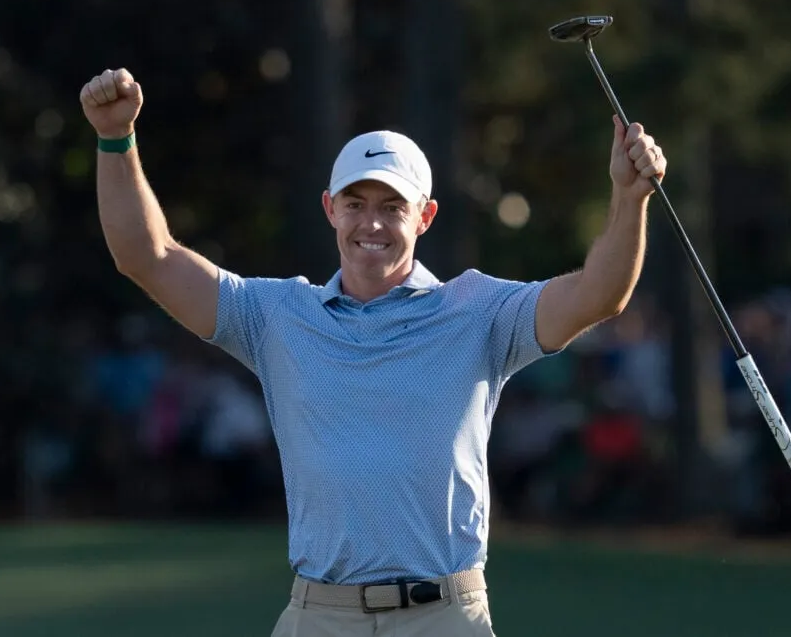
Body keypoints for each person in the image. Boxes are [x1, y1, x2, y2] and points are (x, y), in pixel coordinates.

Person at [80, 67, 667, 636]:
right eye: (355, 203)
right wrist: (115, 138)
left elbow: (598, 295)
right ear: (330, 208)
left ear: (425, 216)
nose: (372, 223)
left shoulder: (480, 313)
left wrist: (628, 198)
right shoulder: (274, 316)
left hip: (444, 616)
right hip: (319, 615)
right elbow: (148, 257)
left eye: (392, 206)